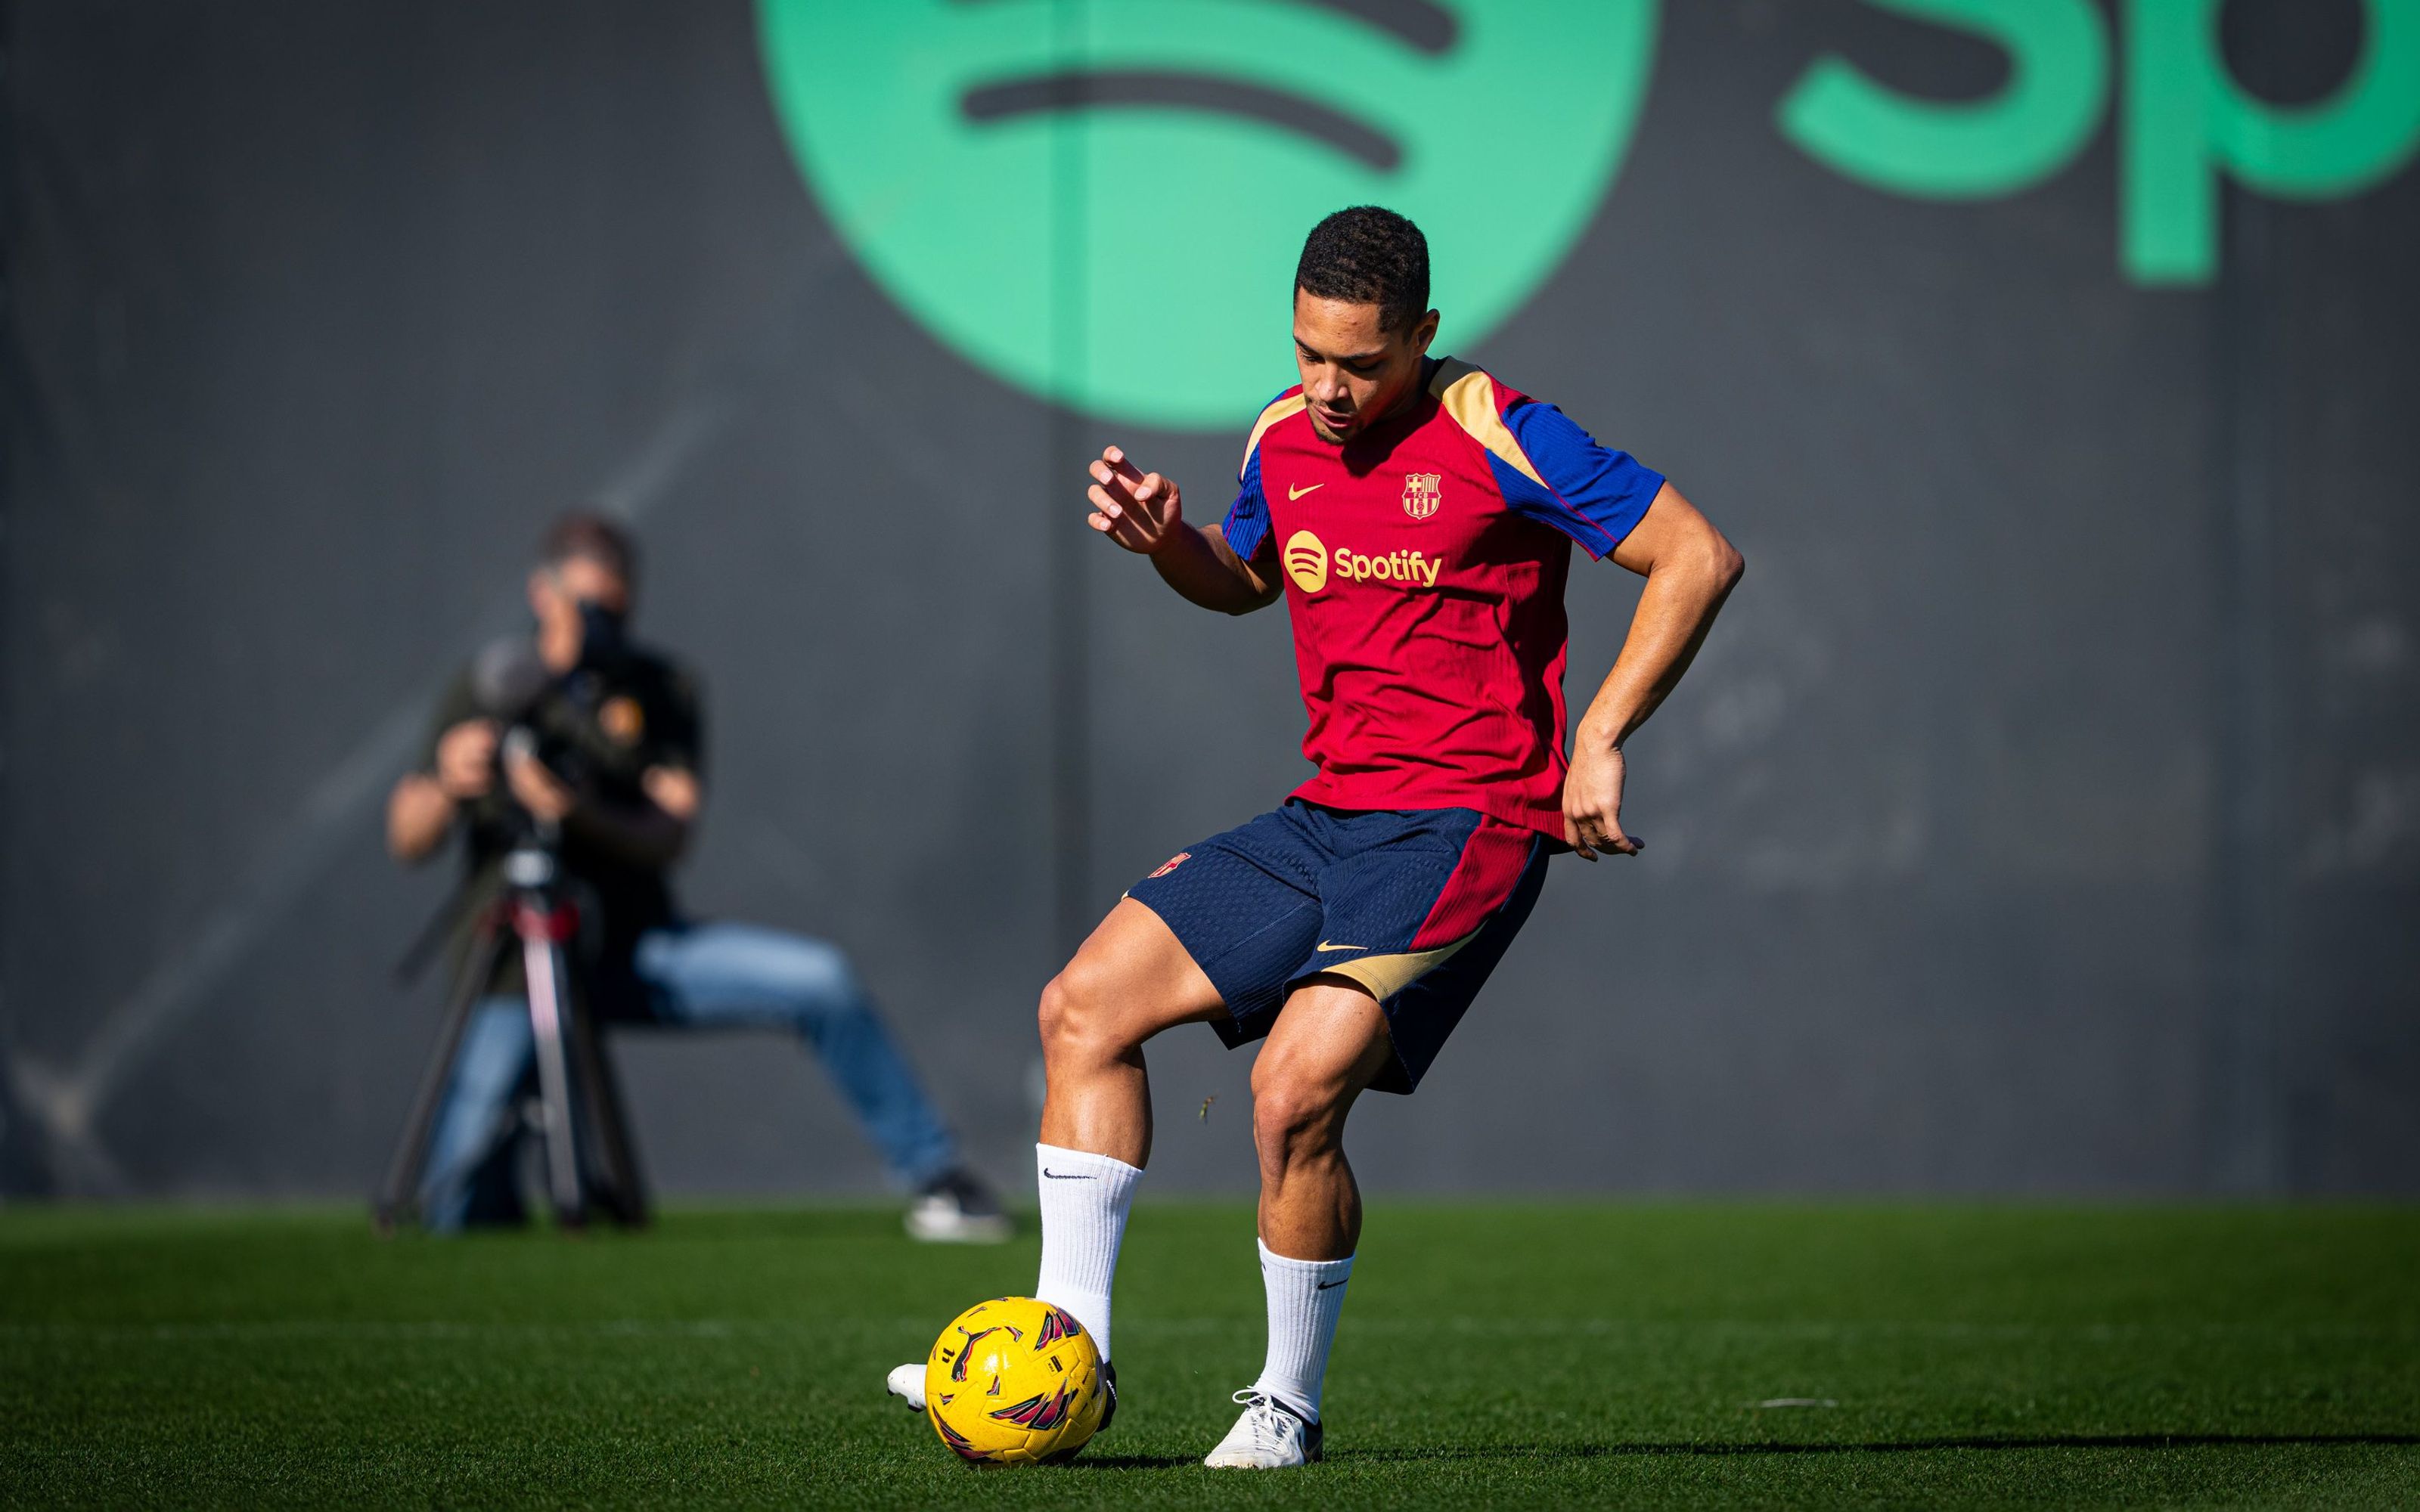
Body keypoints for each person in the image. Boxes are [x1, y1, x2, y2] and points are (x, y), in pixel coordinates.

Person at [885, 206, 1744, 1464]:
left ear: (1425, 337)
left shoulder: (1497, 429)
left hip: (1467, 824)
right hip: (1331, 814)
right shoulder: (1282, 437)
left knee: (1289, 1097)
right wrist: (1169, 542)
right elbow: (1247, 578)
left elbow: (1696, 556)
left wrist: (1601, 734)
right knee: (1081, 1009)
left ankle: (1285, 1405)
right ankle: (1062, 1366)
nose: (1332, 390)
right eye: (1311, 355)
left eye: (1363, 363)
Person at [386, 513, 1007, 1241]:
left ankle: (938, 1175)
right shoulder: (496, 681)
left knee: (820, 980)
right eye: (585, 606)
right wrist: (446, 780)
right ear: (541, 594)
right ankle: (505, 1164)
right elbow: (409, 836)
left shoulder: (658, 687)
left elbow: (671, 835)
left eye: (615, 609)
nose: (600, 625)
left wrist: (579, 812)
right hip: (514, 973)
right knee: (459, 1211)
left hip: (634, 951)